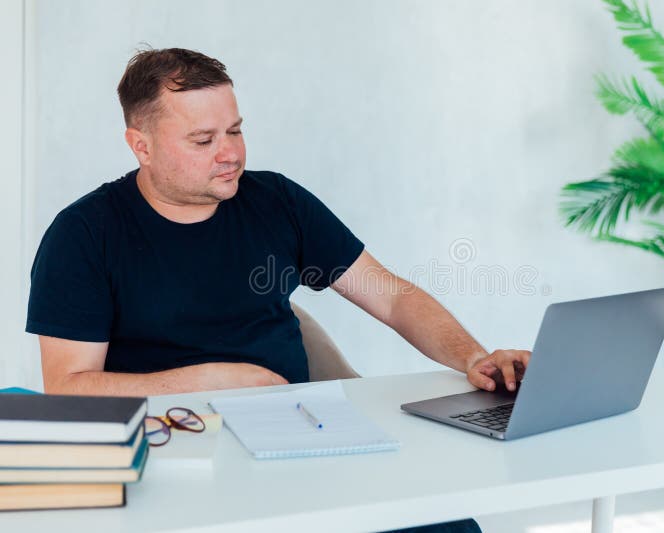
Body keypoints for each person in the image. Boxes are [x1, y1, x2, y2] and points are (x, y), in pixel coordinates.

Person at [26, 48, 529, 533]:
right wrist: (209, 382)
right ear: (141, 145)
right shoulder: (85, 234)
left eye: (236, 130)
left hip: (299, 441)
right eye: (203, 140)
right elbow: (68, 386)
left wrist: (472, 357)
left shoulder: (277, 201)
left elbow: (392, 296)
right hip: (173, 458)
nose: (230, 153)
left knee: (447, 528)